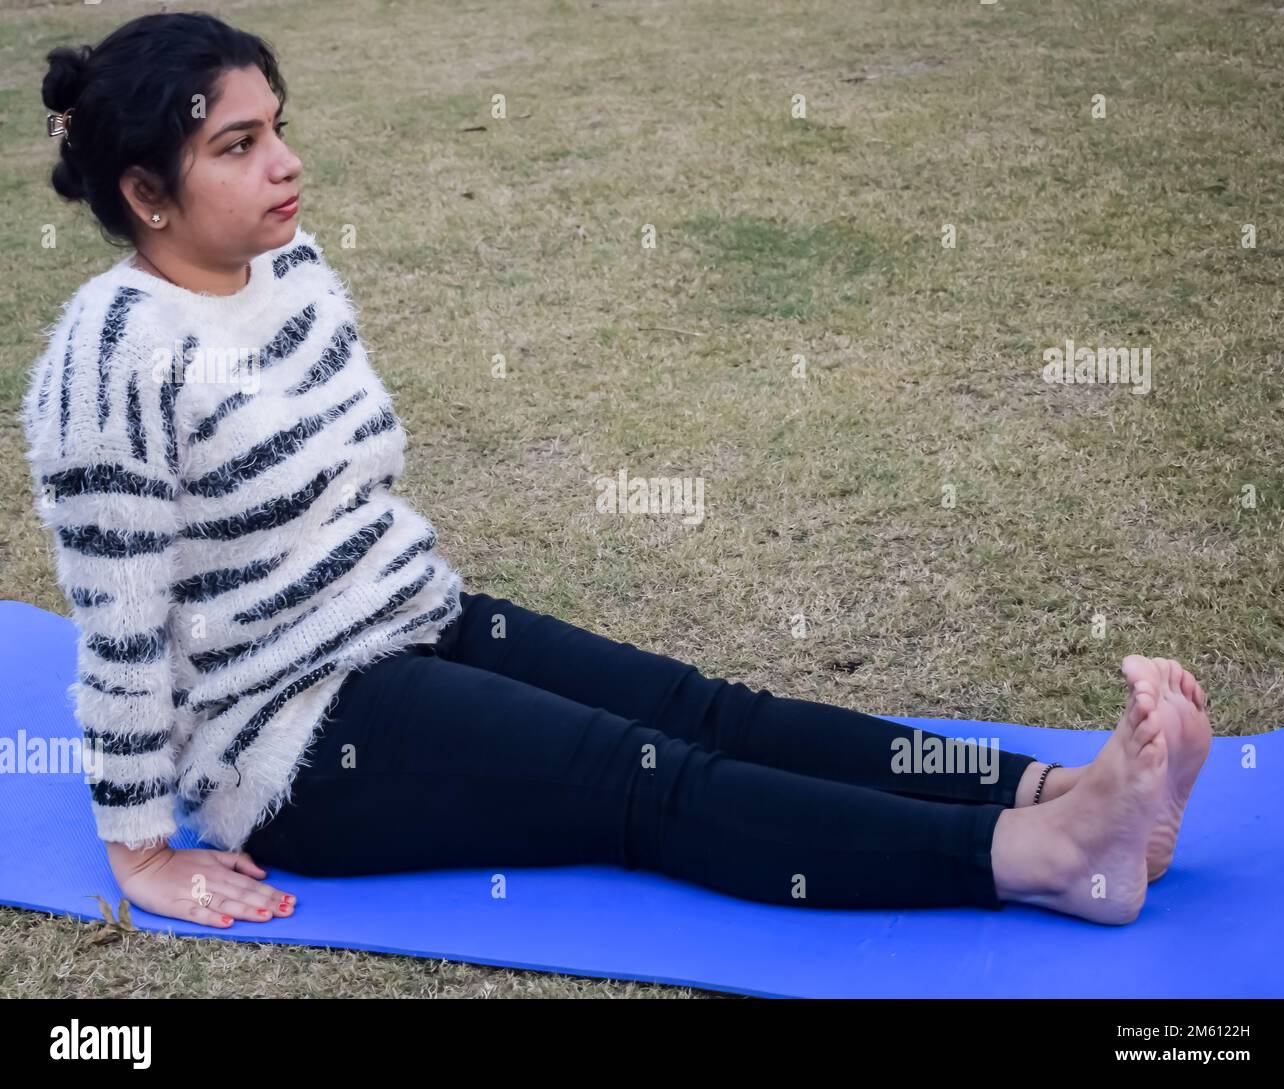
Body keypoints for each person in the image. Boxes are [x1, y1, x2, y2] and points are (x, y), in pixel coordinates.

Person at [23, 12, 1212, 932]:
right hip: (294, 742)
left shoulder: (288, 266)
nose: (287, 163)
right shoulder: (110, 362)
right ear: (145, 194)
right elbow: (118, 636)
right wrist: (139, 849)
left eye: (278, 125)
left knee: (707, 711)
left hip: (409, 620)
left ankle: (1057, 793)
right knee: (645, 780)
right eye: (240, 145)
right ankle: (1048, 865)